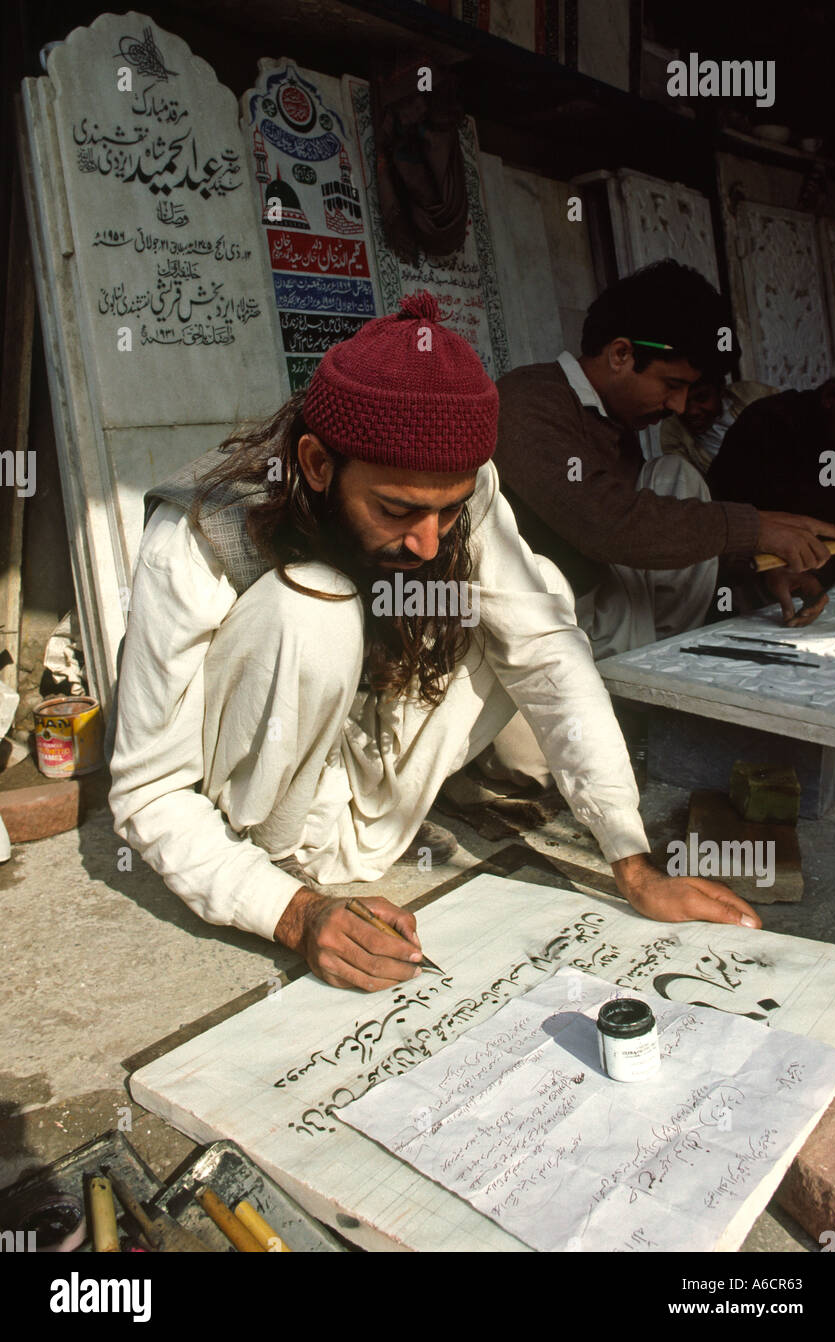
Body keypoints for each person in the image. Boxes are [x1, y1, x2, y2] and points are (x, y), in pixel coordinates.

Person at [109, 291, 763, 994]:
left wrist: (630, 862)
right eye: (396, 510)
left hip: (375, 819)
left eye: (448, 511)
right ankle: (286, 865)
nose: (426, 542)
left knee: (533, 597)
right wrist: (294, 915)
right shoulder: (195, 537)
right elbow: (149, 792)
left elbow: (545, 652)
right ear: (317, 464)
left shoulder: (455, 489)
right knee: (313, 602)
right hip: (262, 826)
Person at [494, 261, 835, 660]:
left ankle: (656, 658)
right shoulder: (527, 402)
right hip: (543, 633)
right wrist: (753, 528)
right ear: (621, 354)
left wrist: (758, 564)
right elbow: (606, 523)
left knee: (675, 475)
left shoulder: (615, 420)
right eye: (673, 385)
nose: (680, 405)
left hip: (624, 626)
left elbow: (658, 530)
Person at [707, 333, 835, 626]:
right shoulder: (768, 426)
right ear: (831, 399)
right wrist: (778, 568)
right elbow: (719, 528)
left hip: (831, 581)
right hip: (752, 582)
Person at [660, 376, 776, 476]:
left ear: (720, 391)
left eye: (702, 398)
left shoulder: (753, 396)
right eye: (683, 402)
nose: (692, 411)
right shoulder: (673, 432)